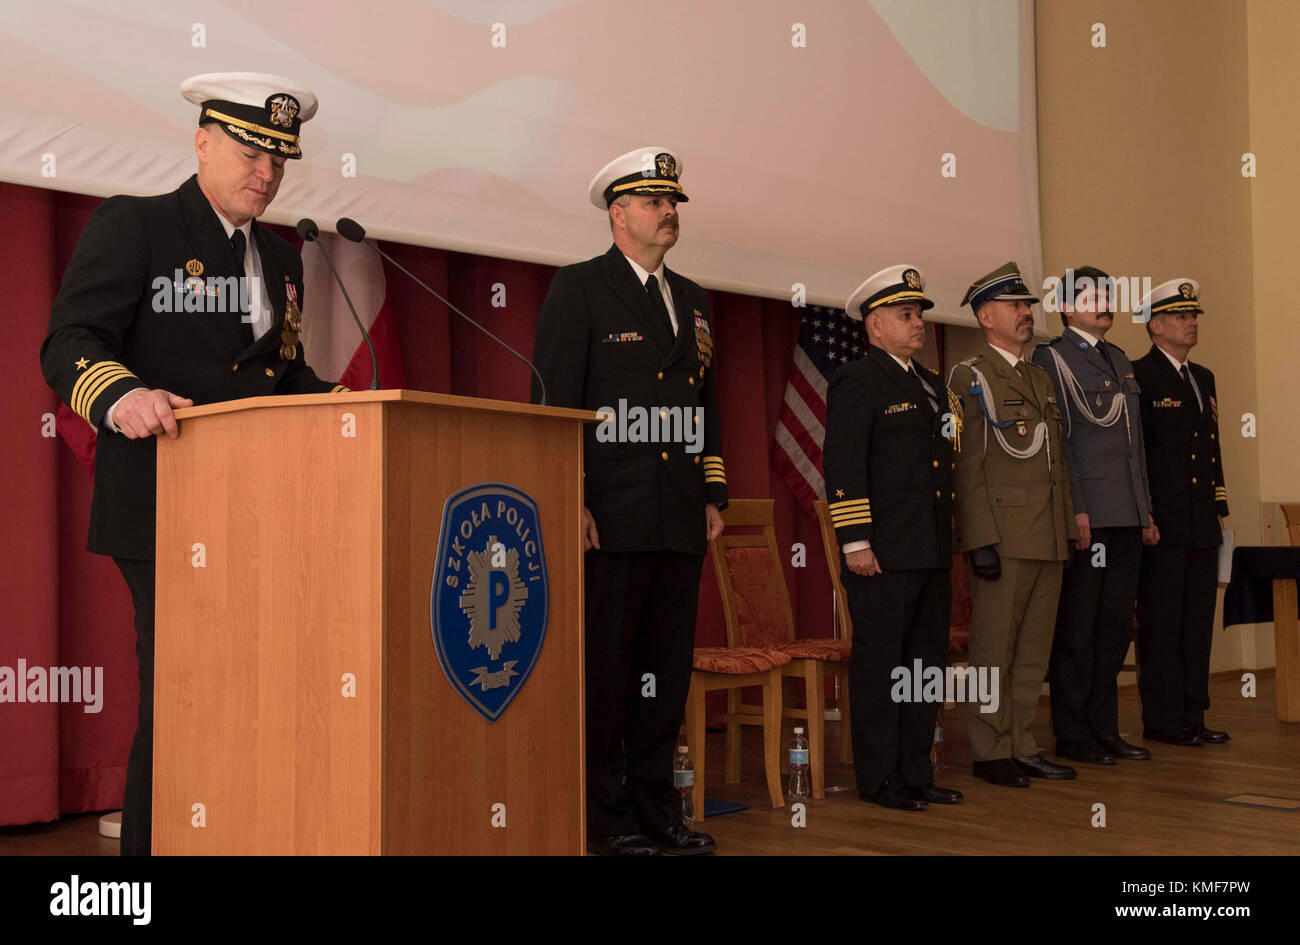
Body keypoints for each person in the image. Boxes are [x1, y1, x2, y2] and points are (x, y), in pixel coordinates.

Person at [39, 72, 347, 855]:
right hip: (163, 501)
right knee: (187, 698)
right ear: (202, 141)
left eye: (279, 161)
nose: (267, 174)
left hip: (261, 510)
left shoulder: (282, 259)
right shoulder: (135, 226)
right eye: (250, 151)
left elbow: (278, 376)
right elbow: (69, 341)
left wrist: (351, 407)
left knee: (250, 697)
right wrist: (123, 396)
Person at [530, 148, 726, 855]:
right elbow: (552, 401)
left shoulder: (695, 300)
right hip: (608, 517)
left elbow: (706, 404)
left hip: (677, 514)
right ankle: (603, 818)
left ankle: (657, 812)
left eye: (673, 202)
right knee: (607, 674)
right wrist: (569, 495)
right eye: (653, 202)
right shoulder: (579, 289)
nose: (668, 212)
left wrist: (711, 489)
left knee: (663, 675)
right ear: (618, 214)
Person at [823, 265, 963, 811]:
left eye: (920, 314)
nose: (918, 323)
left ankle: (916, 772)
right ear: (874, 325)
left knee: (924, 668)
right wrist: (855, 540)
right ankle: (880, 778)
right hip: (881, 552)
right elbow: (844, 463)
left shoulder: (930, 383)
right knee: (883, 666)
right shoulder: (858, 379)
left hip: (928, 547)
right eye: (905, 315)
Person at [949, 262, 1078, 787]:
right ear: (986, 316)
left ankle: (1022, 741)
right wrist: (978, 539)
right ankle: (988, 748)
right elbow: (966, 464)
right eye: (1014, 306)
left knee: (1032, 650)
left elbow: (1055, 461)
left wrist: (1068, 525)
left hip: (1046, 534)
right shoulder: (970, 376)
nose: (1027, 314)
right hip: (1003, 536)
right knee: (993, 650)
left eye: (1028, 305)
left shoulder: (1039, 376)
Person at [1031, 267, 1156, 765]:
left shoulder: (1121, 359)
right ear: (1065, 307)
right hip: (1091, 517)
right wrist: (1076, 509)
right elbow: (1060, 446)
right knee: (1078, 627)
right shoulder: (1052, 358)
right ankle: (1073, 733)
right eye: (1090, 296)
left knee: (1114, 627)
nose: (1103, 302)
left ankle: (1106, 728)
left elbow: (1134, 448)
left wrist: (1145, 510)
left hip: (1125, 513)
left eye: (1107, 295)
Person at [1132, 278, 1231, 746]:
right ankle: (1163, 719)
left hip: (1200, 521)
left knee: (1196, 624)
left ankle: (1195, 714)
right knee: (1161, 623)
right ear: (1154, 326)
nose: (1191, 323)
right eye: (1180, 317)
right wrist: (1144, 514)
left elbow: (1211, 448)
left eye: (1193, 316)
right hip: (1163, 523)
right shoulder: (1139, 376)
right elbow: (1137, 454)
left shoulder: (1203, 377)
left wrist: (1220, 505)